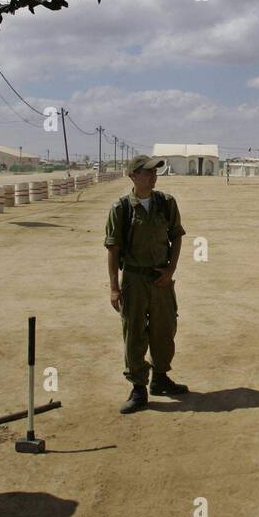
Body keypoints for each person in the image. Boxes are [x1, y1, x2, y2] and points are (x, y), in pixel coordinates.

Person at [105, 155, 189, 413]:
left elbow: (176, 237)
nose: (153, 177)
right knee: (134, 333)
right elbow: (113, 248)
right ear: (133, 176)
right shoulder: (121, 208)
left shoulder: (166, 203)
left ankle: (161, 378)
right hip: (134, 280)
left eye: (155, 173)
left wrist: (171, 269)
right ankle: (138, 388)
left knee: (165, 330)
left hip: (161, 280)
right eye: (147, 172)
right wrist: (114, 287)